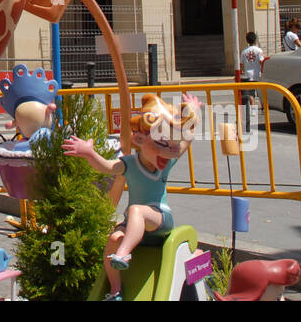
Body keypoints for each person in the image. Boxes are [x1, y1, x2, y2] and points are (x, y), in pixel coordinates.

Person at [63, 93, 201, 300]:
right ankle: (115, 290)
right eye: (163, 146)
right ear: (139, 139)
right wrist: (89, 153)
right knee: (113, 238)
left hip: (159, 221)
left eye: (172, 146)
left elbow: (187, 141)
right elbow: (107, 167)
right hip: (133, 227)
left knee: (137, 211)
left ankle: (123, 254)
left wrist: (194, 111)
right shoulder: (130, 164)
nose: (170, 153)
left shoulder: (166, 162)